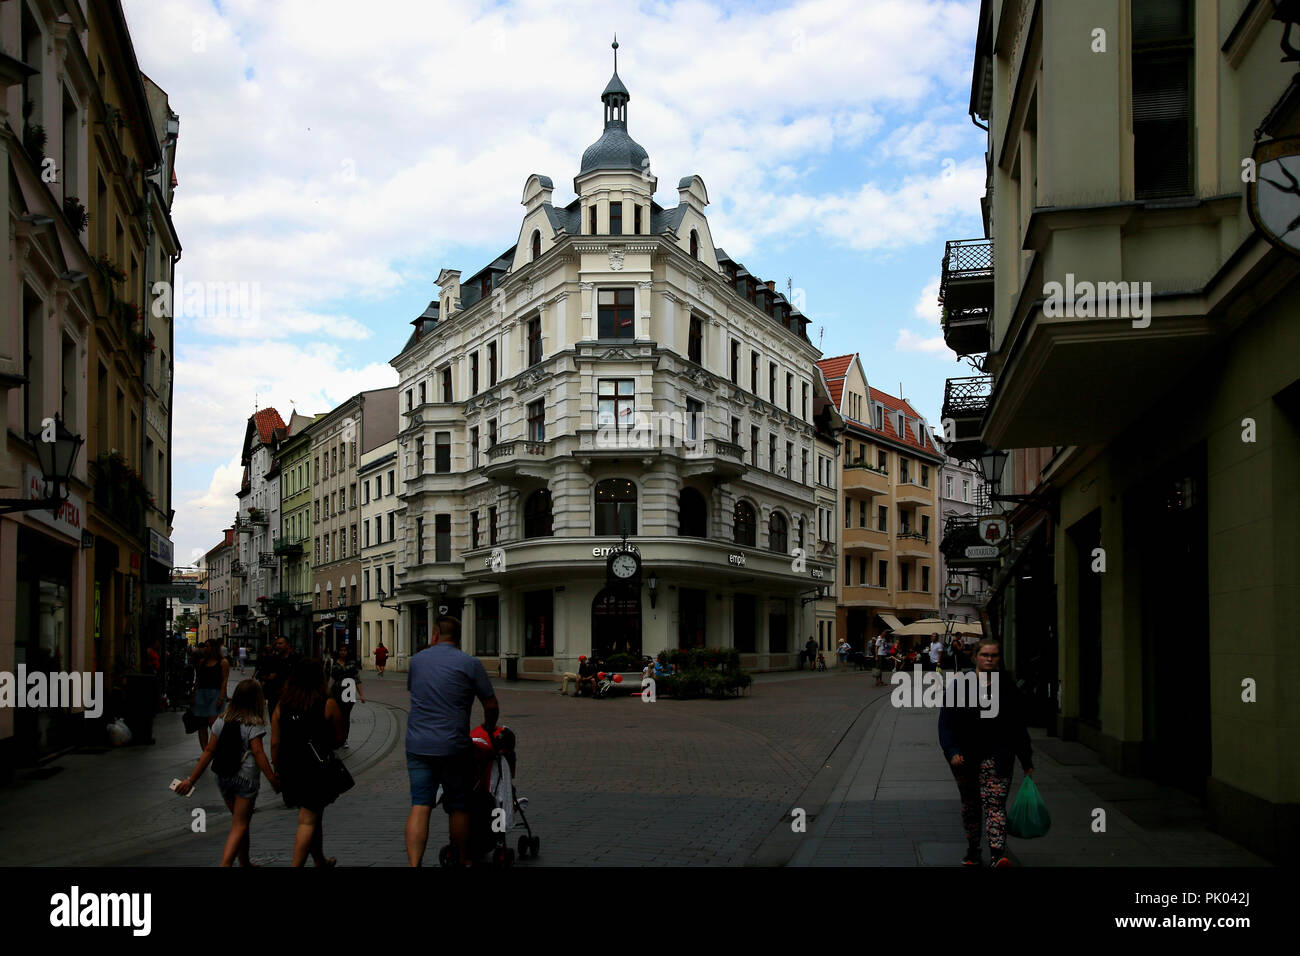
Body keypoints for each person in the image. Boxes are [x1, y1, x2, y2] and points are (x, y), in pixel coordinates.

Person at [404, 615, 500, 867]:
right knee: (458, 805)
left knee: (420, 804)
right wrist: (489, 727)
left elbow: (415, 691)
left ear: (434, 635)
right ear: (458, 639)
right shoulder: (470, 663)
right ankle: (464, 859)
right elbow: (490, 703)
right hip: (454, 745)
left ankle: (414, 864)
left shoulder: (417, 661)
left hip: (417, 744)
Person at [938, 637, 1034, 868]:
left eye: (994, 655)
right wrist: (952, 751)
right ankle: (973, 851)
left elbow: (1018, 726)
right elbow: (946, 723)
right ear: (976, 657)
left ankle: (997, 854)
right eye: (985, 655)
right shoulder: (962, 684)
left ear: (999, 658)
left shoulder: (1007, 687)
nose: (989, 659)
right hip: (965, 757)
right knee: (970, 806)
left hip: (998, 756)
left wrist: (1026, 760)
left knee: (995, 805)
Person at [175, 679, 280, 866]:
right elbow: (258, 753)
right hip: (245, 779)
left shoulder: (221, 721)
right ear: (257, 701)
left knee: (241, 821)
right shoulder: (253, 723)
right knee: (240, 824)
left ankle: (245, 861)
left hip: (223, 777)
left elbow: (208, 751)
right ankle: (226, 864)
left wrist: (191, 780)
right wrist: (272, 778)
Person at [272, 658, 346, 867]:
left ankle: (319, 859)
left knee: (313, 815)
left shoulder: (282, 705)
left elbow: (275, 743)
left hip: (289, 767)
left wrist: (276, 770)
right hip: (316, 769)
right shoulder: (327, 704)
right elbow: (340, 737)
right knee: (308, 819)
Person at [192, 639, 230, 753]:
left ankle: (215, 749)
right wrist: (194, 693)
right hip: (201, 693)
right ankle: (205, 751)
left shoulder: (223, 662)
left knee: (213, 723)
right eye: (205, 646)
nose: (205, 649)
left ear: (214, 648)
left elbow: (224, 681)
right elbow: (198, 679)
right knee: (201, 724)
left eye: (208, 646)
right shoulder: (202, 662)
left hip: (215, 693)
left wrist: (221, 697)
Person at [257, 636, 299, 722]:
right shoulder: (273, 659)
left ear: (287, 645)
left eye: (280, 643)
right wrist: (269, 678)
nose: (278, 646)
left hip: (291, 697)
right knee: (275, 720)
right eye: (277, 644)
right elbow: (261, 674)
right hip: (274, 697)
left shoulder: (295, 659)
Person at [331, 644, 365, 747]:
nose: (343, 652)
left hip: (349, 693)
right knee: (337, 716)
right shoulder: (333, 663)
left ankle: (344, 738)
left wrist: (361, 695)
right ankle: (336, 736)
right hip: (336, 692)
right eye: (341, 650)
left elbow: (357, 679)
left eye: (345, 650)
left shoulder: (352, 664)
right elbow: (329, 679)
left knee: (345, 716)